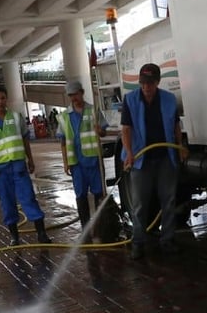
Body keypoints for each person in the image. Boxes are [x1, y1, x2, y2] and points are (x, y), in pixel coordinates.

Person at [120, 63, 186, 260]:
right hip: (141, 160)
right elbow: (126, 129)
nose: (146, 87)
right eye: (143, 83)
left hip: (165, 157)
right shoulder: (130, 100)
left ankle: (167, 240)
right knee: (140, 203)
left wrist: (180, 147)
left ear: (157, 82)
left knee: (169, 200)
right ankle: (138, 243)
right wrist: (129, 153)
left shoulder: (168, 99)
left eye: (150, 83)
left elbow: (175, 126)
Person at [0, 85, 52, 245]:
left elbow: (25, 141)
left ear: (6, 99)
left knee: (29, 198)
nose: (0, 102)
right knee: (7, 203)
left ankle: (41, 234)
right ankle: (15, 237)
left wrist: (30, 160)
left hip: (18, 167)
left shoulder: (16, 118)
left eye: (3, 98)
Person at [57, 79, 108, 231]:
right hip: (77, 164)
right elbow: (63, 142)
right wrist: (65, 162)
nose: (74, 98)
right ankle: (85, 228)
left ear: (82, 93)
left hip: (94, 162)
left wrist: (100, 131)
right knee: (81, 196)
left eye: (76, 94)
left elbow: (103, 132)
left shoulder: (93, 110)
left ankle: (100, 227)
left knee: (99, 194)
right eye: (71, 96)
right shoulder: (64, 116)